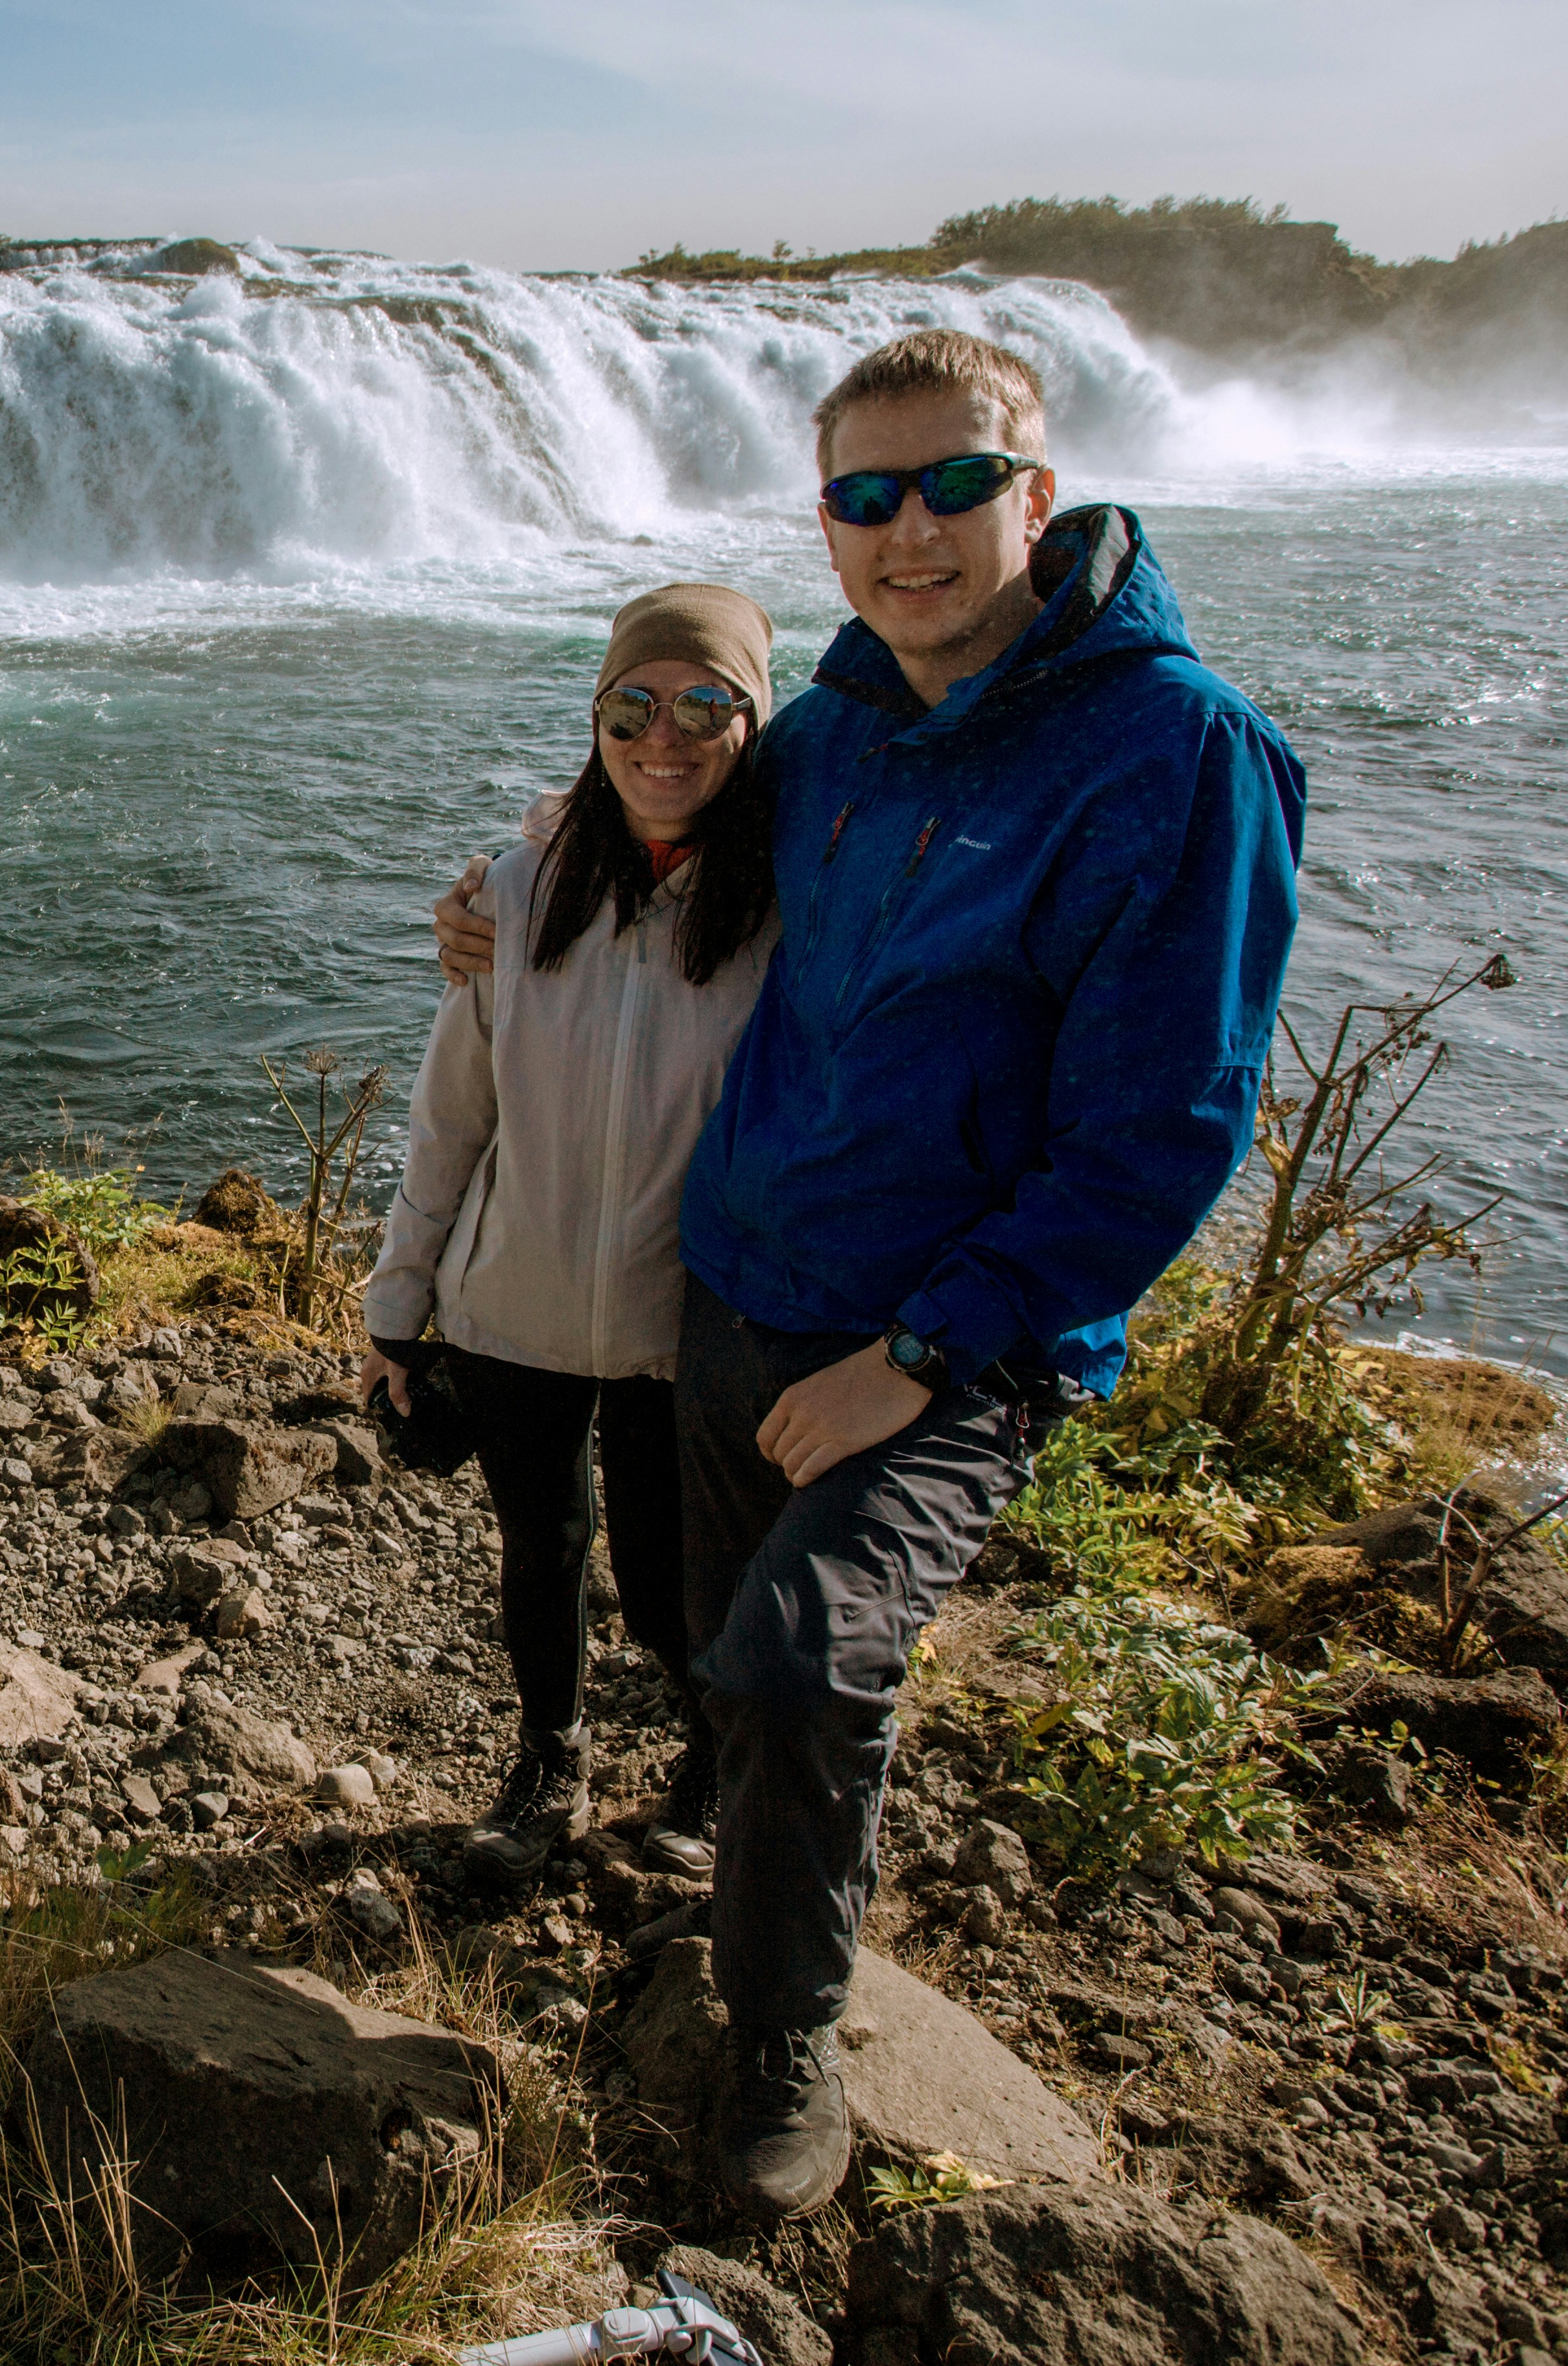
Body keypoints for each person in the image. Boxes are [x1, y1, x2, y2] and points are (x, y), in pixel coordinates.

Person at [433, 328, 1304, 2219]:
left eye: (952, 485)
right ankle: (742, 1911)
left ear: (1038, 495)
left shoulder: (1177, 755)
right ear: (825, 524)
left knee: (805, 1658)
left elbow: (1163, 1134)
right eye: (863, 496)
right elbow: (653, 800)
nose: (910, 532)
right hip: (737, 1293)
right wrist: (501, 896)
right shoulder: (826, 727)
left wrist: (925, 1354)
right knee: (737, 1678)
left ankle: (785, 2046)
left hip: (942, 1340)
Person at [361, 584, 782, 1893]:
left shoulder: (793, 909)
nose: (668, 735)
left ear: (755, 721)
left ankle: (711, 1761)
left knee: (668, 1586)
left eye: (708, 704)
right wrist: (396, 1305)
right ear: (595, 721)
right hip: (512, 1307)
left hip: (681, 1318)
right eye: (633, 706)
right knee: (538, 1558)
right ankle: (552, 1759)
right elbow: (451, 1118)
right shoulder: (521, 889)